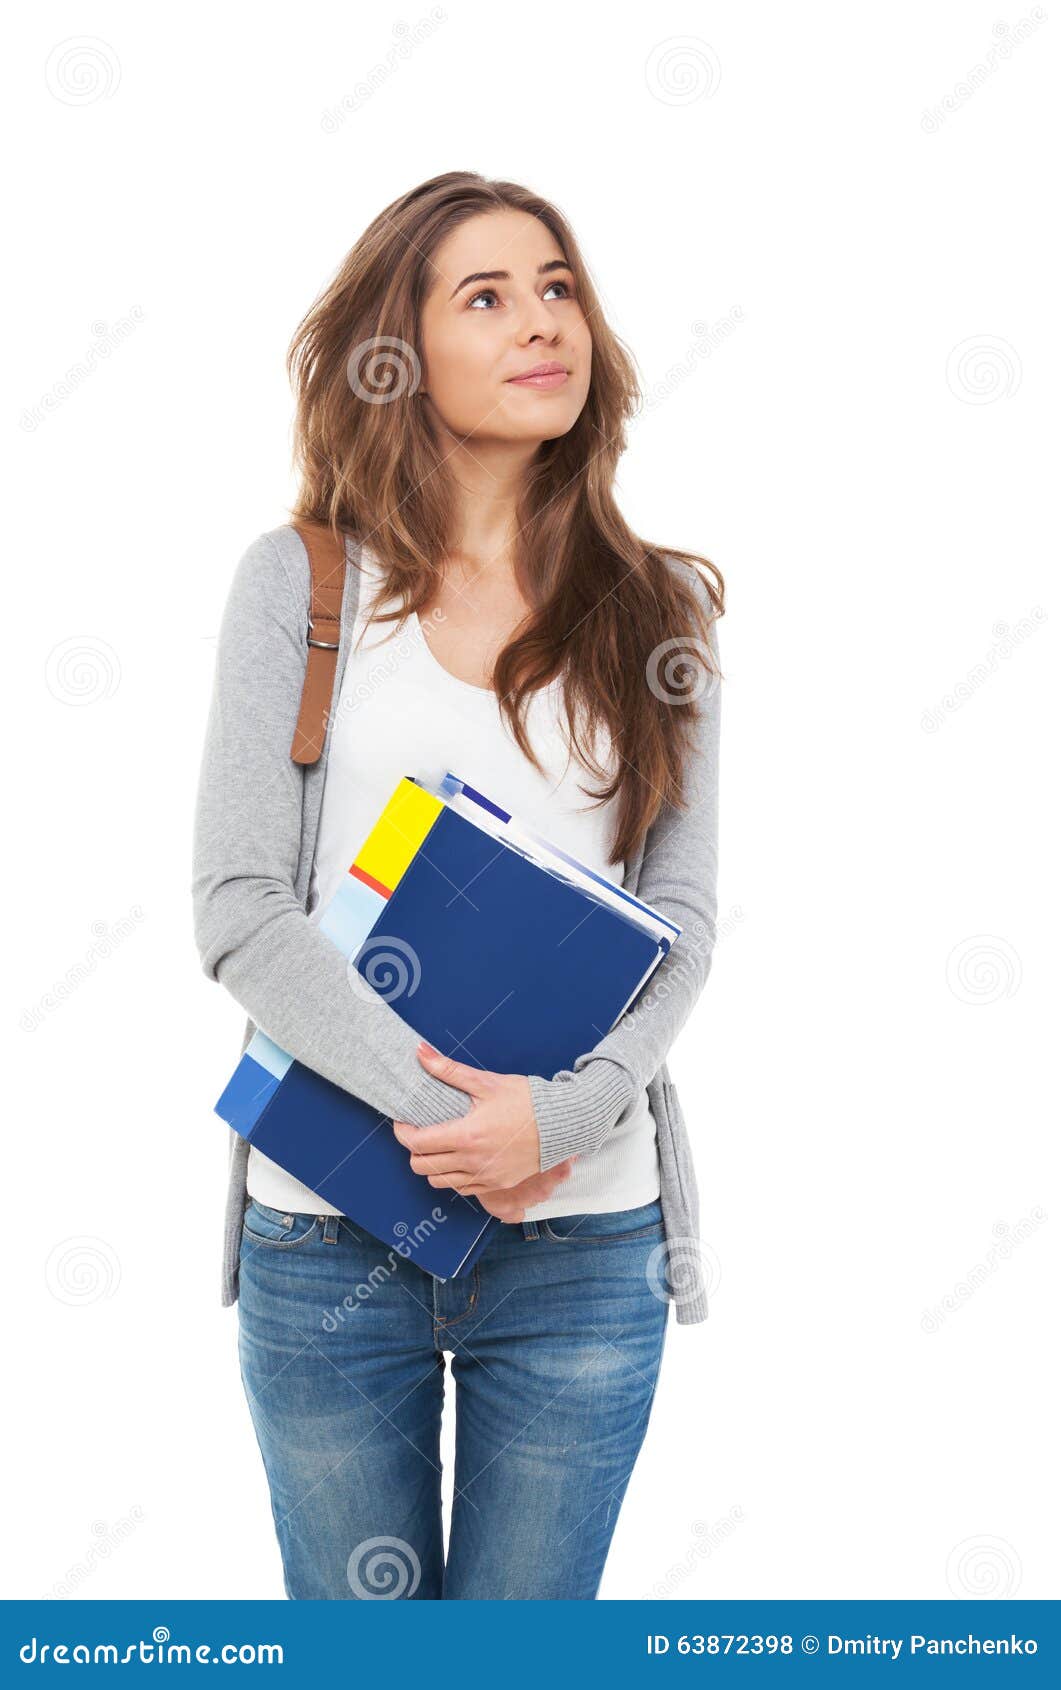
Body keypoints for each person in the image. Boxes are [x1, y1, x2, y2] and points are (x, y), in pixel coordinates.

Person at [192, 170, 724, 1600]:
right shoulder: (300, 587)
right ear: (398, 351)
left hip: (580, 1241)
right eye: (484, 297)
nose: (543, 321)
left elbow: (683, 921)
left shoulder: (659, 607)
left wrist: (557, 1115)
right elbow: (242, 907)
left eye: (556, 286)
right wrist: (454, 1120)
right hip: (335, 1230)